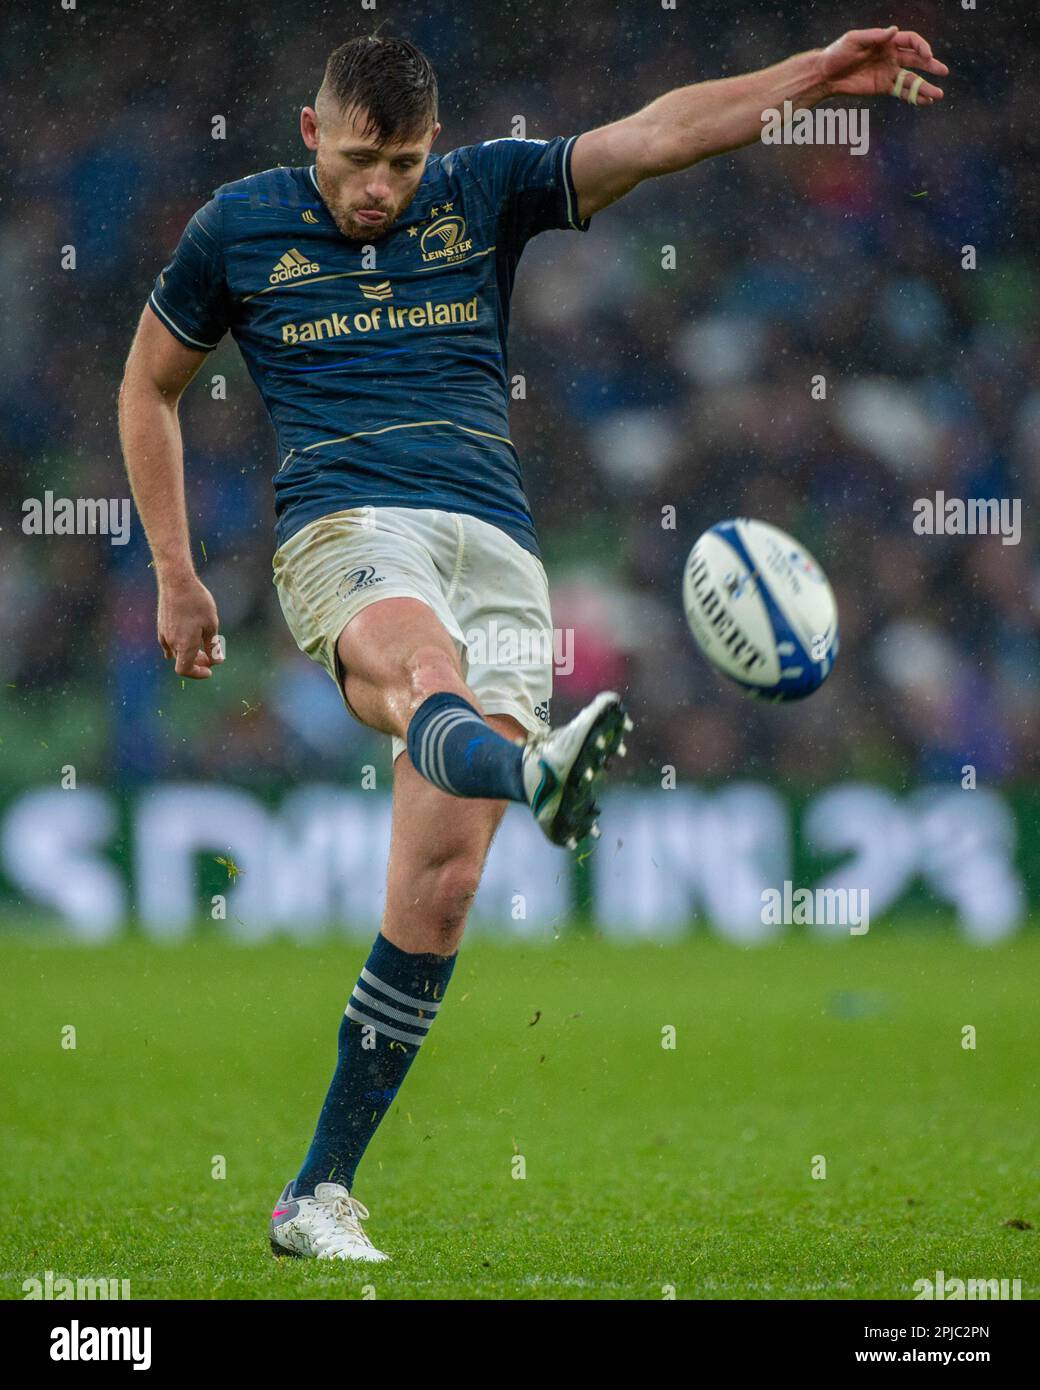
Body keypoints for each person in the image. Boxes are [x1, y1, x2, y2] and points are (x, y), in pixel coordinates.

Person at [118, 26, 946, 1261]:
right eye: (357, 161)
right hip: (349, 527)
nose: (379, 189)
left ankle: (315, 1196)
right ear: (309, 132)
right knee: (423, 678)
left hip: (496, 545)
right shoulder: (237, 227)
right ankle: (540, 769)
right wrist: (177, 572)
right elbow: (148, 386)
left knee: (441, 888)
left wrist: (810, 77)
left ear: (431, 148)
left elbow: (658, 135)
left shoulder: (482, 191)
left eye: (400, 163)